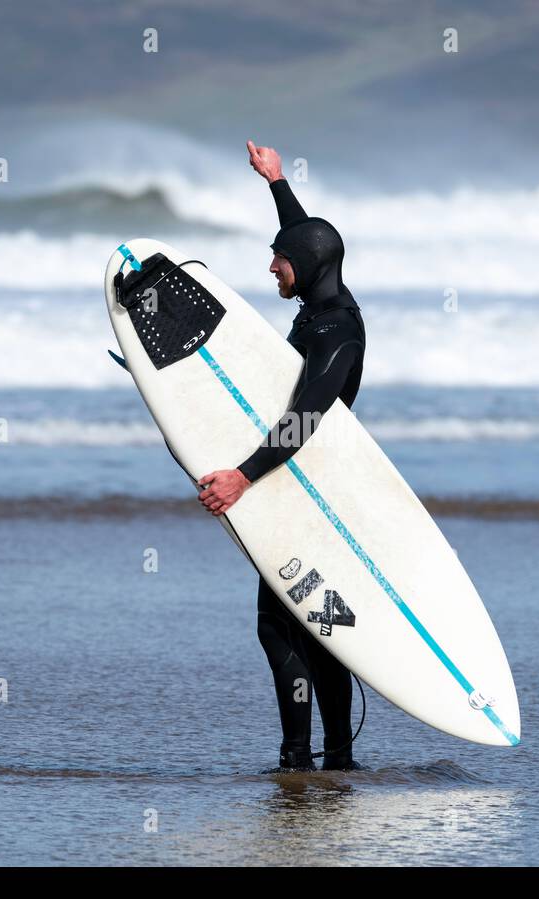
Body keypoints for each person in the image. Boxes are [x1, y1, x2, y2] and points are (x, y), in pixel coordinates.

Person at [197, 140, 366, 772]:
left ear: (306, 266)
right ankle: (322, 757)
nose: (272, 266)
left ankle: (313, 761)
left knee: (298, 628)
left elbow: (305, 419)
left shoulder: (338, 334)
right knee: (296, 626)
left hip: (315, 492)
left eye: (280, 260)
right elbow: (305, 236)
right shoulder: (317, 303)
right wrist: (276, 179)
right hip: (293, 483)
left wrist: (242, 479)